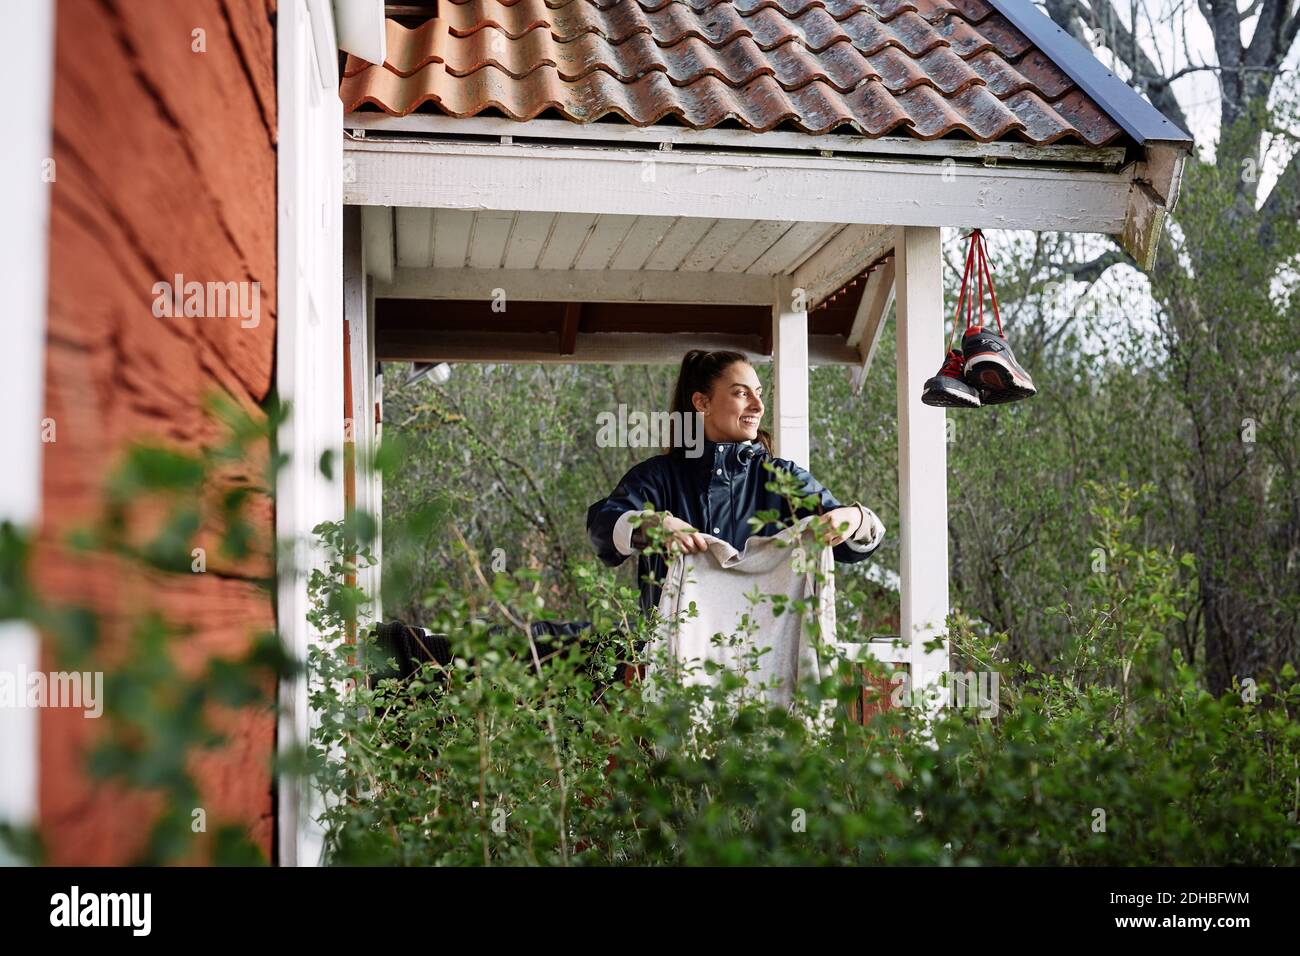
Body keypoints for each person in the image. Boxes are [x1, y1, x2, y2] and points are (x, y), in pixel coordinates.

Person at [586, 349, 885, 617]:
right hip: (673, 666)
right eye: (742, 394)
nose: (758, 405)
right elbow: (601, 528)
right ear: (702, 402)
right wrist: (650, 525)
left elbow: (849, 547)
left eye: (758, 393)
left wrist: (855, 517)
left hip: (763, 666)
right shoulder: (658, 477)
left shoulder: (782, 479)